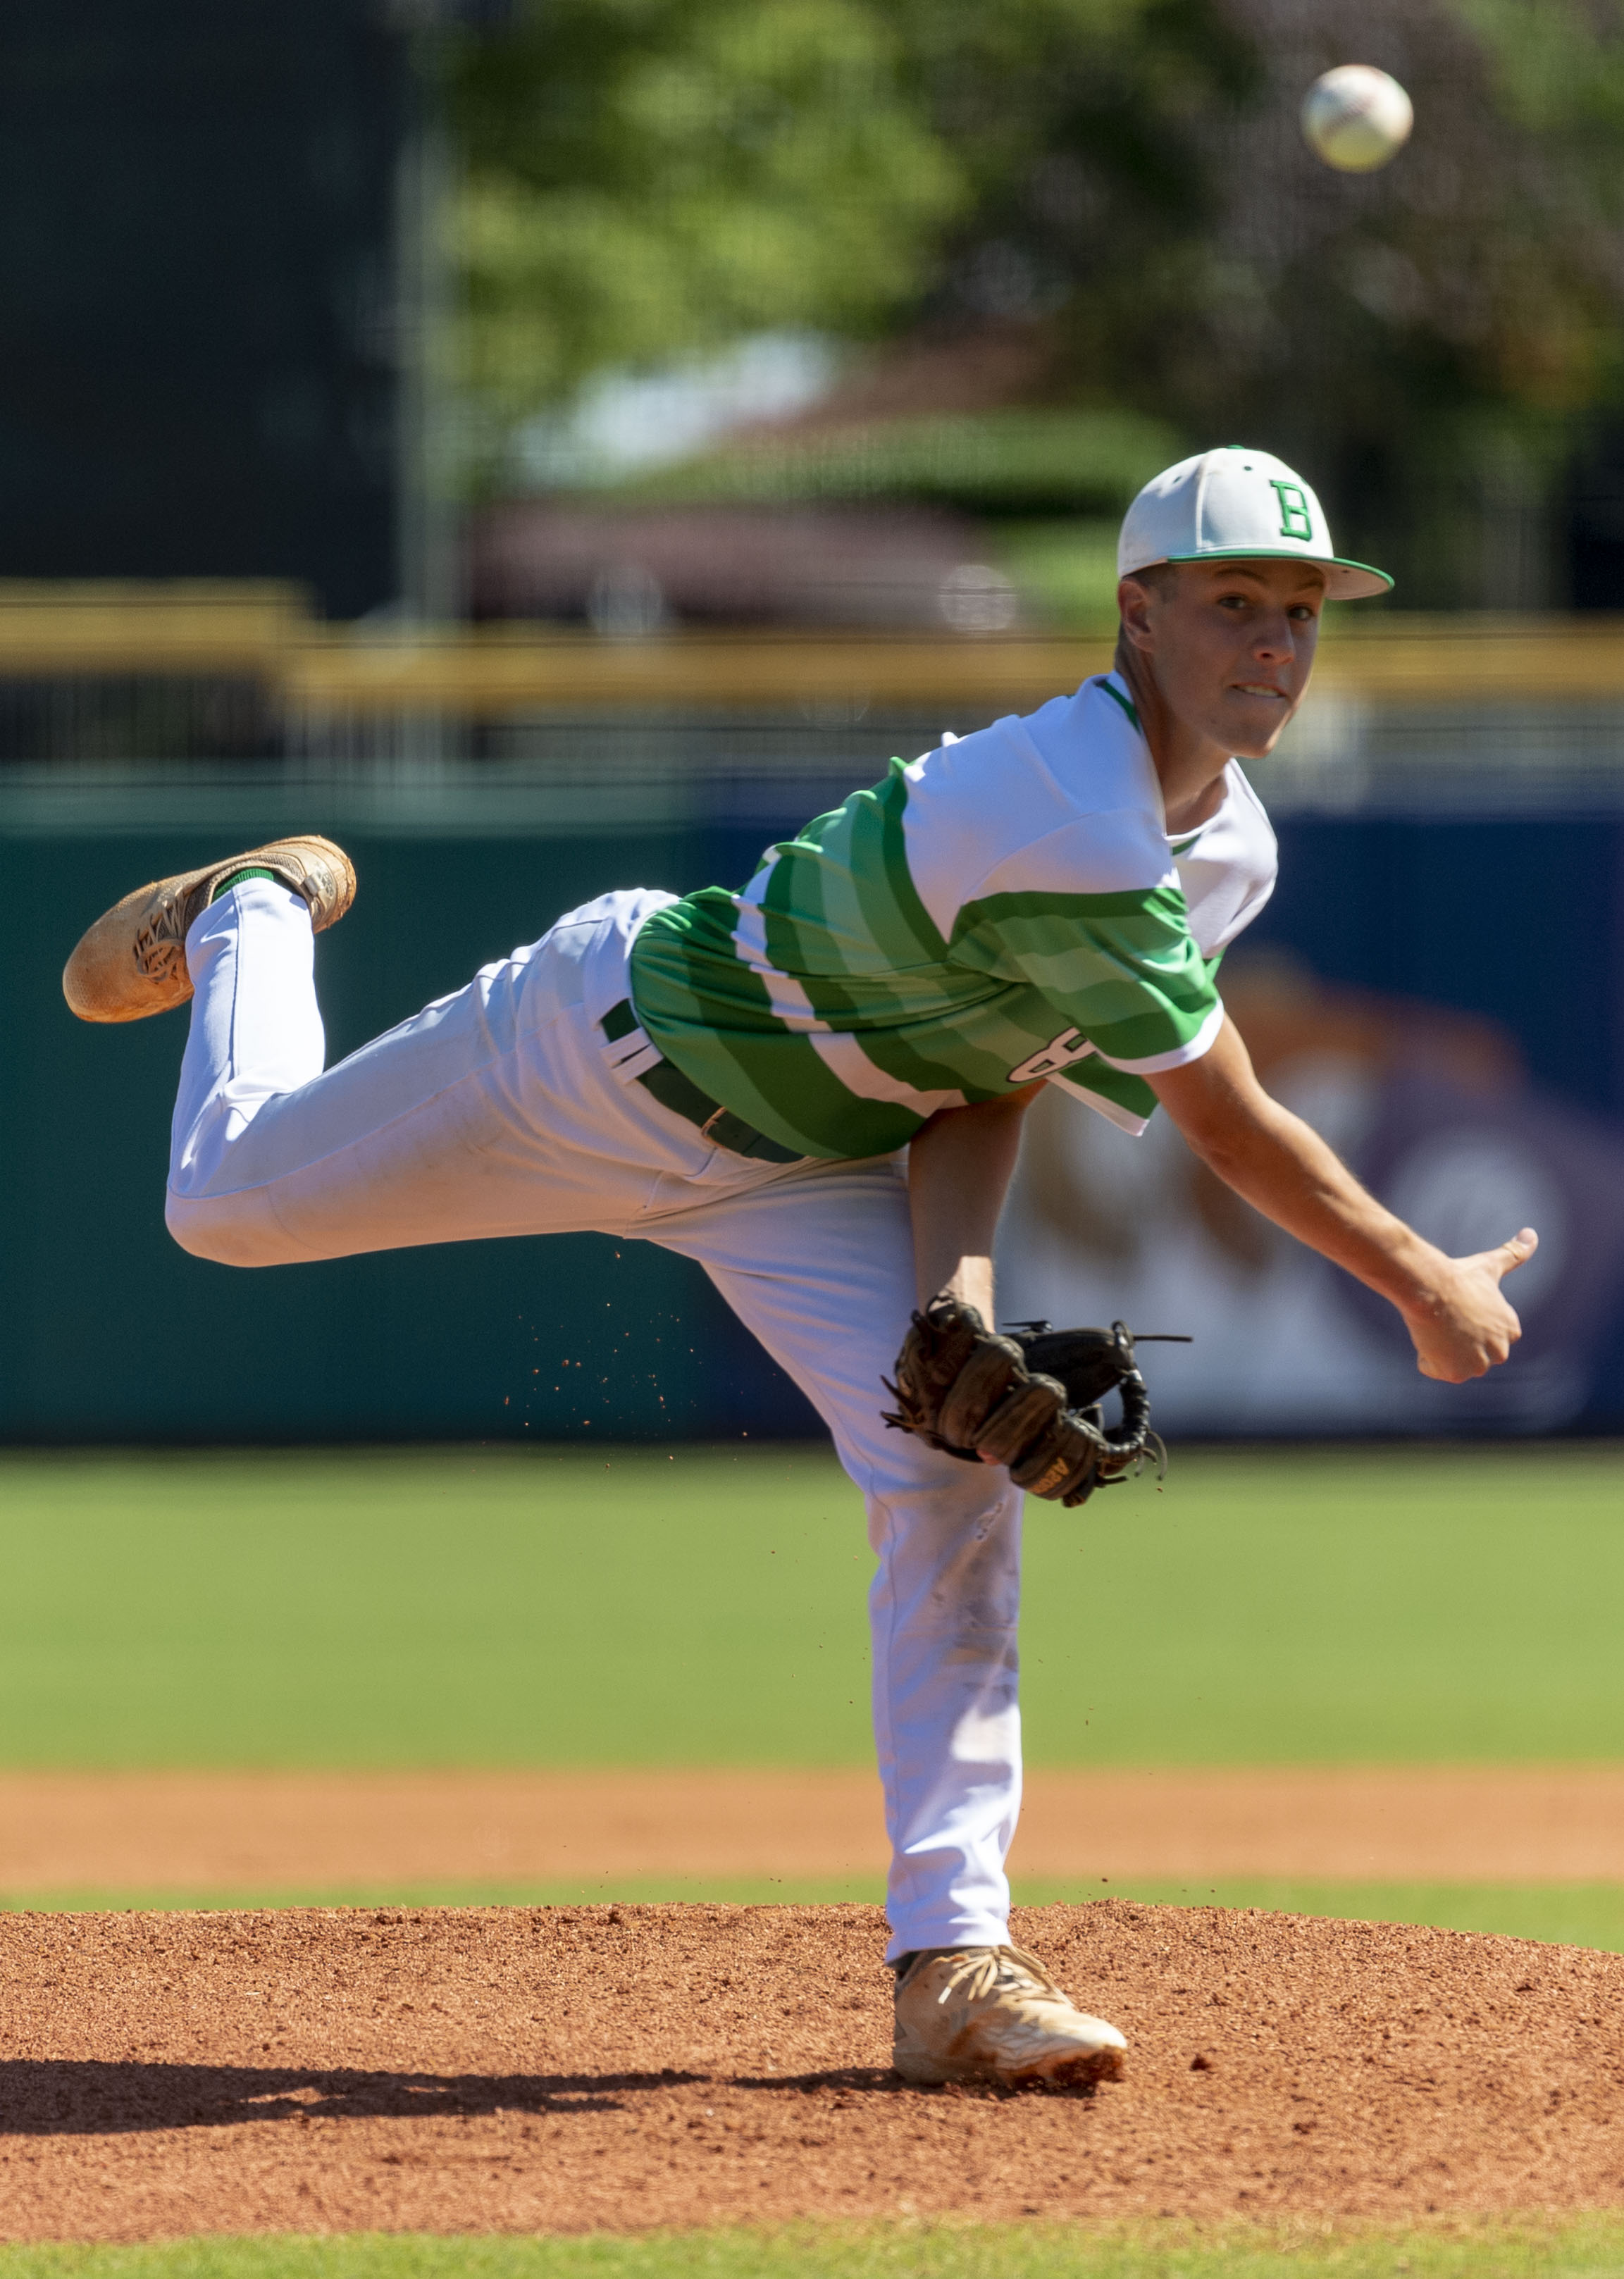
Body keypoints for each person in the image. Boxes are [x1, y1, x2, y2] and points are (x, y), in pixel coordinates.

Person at [64, 447, 1535, 2090]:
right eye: (1234, 602)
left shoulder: (1225, 859)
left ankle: (954, 1965)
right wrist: (1424, 1279)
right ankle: (252, 912)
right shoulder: (1065, 796)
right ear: (1138, 613)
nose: (1275, 640)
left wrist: (954, 1302)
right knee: (222, 1198)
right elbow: (1232, 1121)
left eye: (1302, 609)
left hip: (799, 1168)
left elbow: (997, 1074)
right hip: (594, 1055)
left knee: (949, 1468)